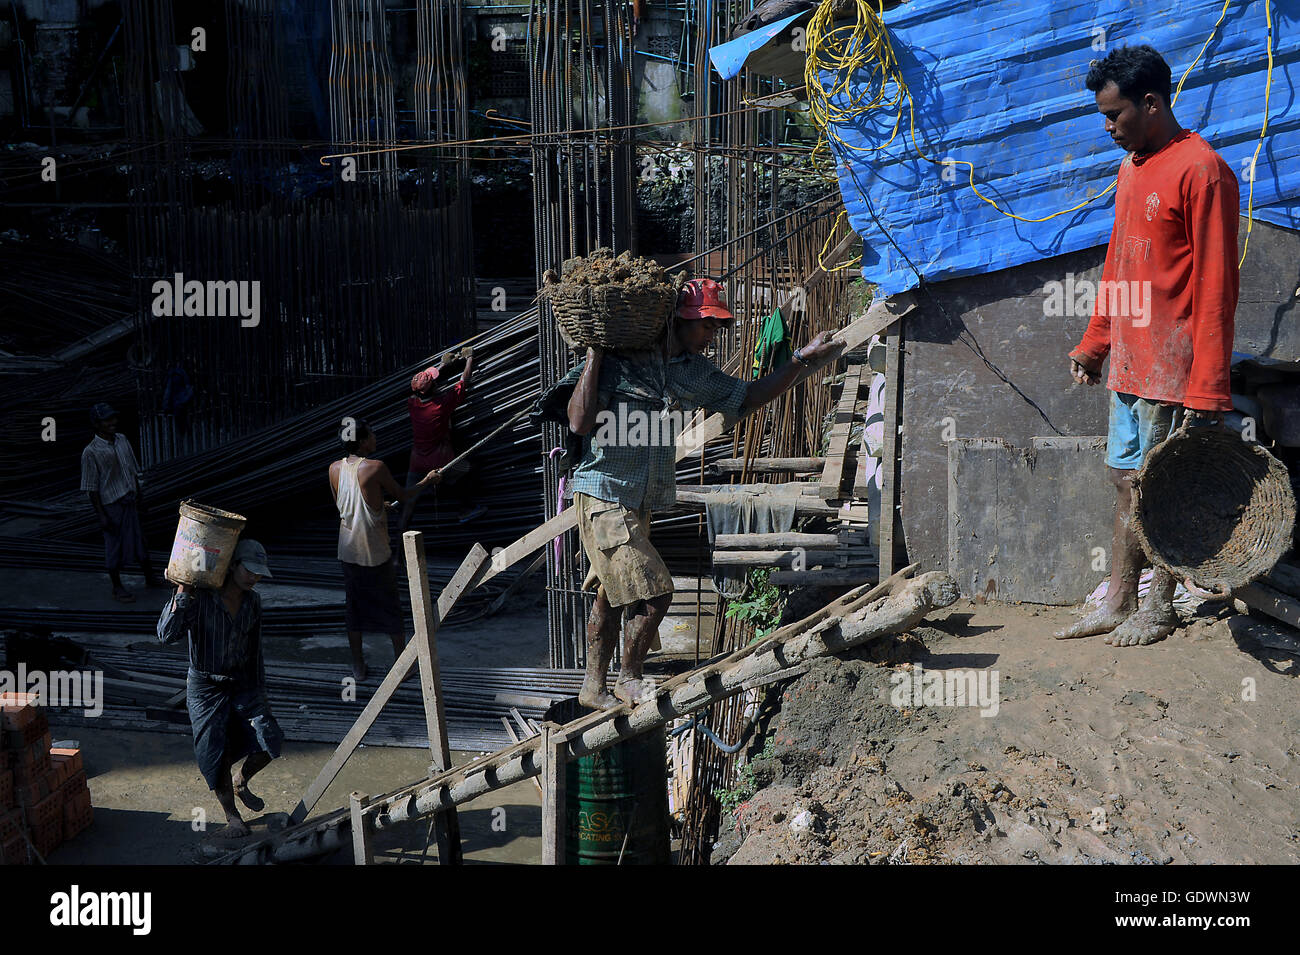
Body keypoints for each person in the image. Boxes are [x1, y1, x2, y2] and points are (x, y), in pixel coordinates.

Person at [564, 278, 841, 709]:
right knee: (656, 591)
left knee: (611, 594)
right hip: (602, 493)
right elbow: (580, 424)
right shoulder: (622, 362)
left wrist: (803, 360)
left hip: (638, 501)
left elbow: (745, 398)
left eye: (716, 327)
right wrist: (595, 355)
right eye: (706, 326)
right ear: (679, 321)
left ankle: (592, 687)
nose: (712, 336)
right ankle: (627, 679)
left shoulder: (691, 371)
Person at [1057, 45, 1239, 648]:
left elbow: (1217, 285)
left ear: (1152, 103)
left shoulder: (1202, 169)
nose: (1106, 127)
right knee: (1123, 479)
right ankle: (1117, 597)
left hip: (1175, 366)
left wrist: (1208, 386)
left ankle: (1160, 603)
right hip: (1133, 362)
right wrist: (1095, 343)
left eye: (1113, 115)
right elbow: (1119, 267)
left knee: (1161, 486)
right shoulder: (1132, 167)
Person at [156, 538, 281, 837]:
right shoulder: (200, 598)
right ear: (233, 565)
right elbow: (165, 634)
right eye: (249, 570)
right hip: (205, 686)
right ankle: (232, 817)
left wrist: (260, 693)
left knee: (270, 740)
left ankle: (241, 780)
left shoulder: (253, 602)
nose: (255, 577)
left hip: (242, 681)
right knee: (214, 753)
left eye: (259, 572)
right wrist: (183, 588)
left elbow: (254, 651)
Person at [330, 417, 440, 680]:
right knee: (391, 608)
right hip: (374, 551)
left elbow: (346, 507)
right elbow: (403, 495)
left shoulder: (334, 468)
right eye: (372, 434)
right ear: (363, 440)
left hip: (347, 551)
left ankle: (358, 666)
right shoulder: (376, 467)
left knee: (354, 608)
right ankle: (403, 665)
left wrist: (380, 507)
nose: (376, 438)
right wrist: (428, 480)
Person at [80, 402, 166, 601]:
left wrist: (140, 497)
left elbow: (133, 471)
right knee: (114, 546)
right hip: (112, 505)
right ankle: (117, 587)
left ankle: (150, 578)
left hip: (130, 500)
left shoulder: (122, 440)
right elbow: (91, 488)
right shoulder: (90, 452)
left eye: (113, 418)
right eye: (107, 420)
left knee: (141, 541)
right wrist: (101, 515)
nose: (113, 422)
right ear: (96, 423)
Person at [401, 347, 486, 530]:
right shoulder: (441, 406)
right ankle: (465, 509)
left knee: (409, 504)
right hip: (440, 459)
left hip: (417, 460)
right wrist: (469, 359)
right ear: (433, 387)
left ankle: (398, 547)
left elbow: (428, 386)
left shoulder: (412, 403)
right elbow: (464, 382)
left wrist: (443, 365)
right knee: (468, 469)